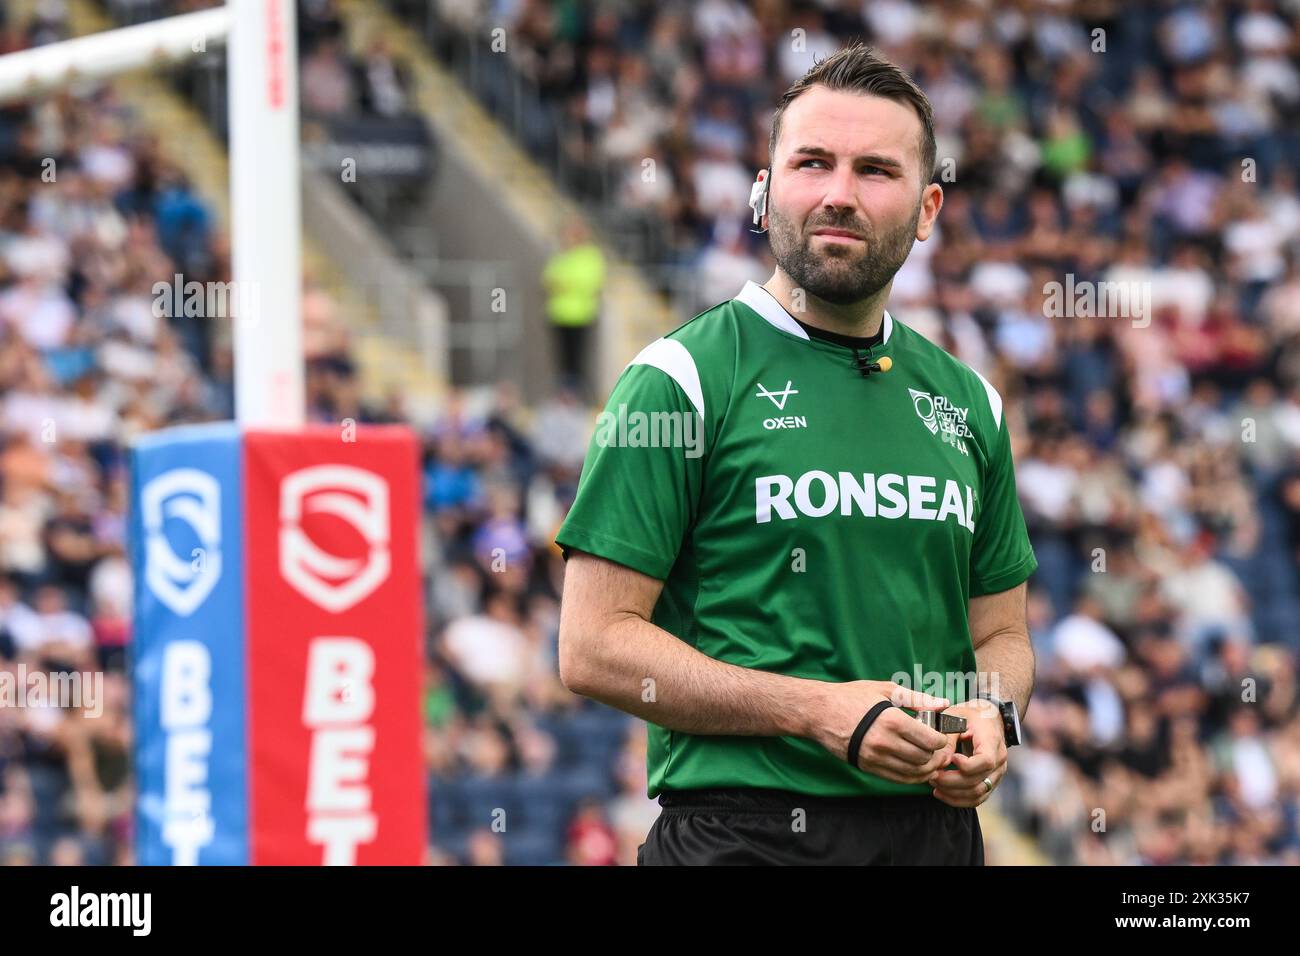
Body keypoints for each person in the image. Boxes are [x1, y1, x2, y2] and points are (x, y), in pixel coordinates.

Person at [555, 43, 1037, 865]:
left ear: (927, 211)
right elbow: (594, 645)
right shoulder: (680, 381)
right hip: (743, 835)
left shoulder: (970, 402)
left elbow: (1003, 638)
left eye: (875, 171)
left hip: (937, 838)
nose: (839, 195)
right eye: (812, 162)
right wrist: (810, 710)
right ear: (764, 188)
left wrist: (991, 715)